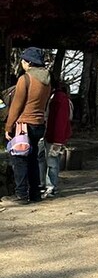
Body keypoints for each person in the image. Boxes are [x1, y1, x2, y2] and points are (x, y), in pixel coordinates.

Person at [4, 48, 53, 204]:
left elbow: (16, 106)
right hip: (39, 124)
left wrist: (8, 127)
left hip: (24, 125)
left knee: (19, 160)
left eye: (23, 61)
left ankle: (21, 195)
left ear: (29, 62)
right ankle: (35, 194)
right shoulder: (47, 80)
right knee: (33, 160)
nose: (22, 63)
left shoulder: (25, 79)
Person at [40, 77, 73, 199]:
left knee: (52, 161)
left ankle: (51, 186)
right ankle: (43, 184)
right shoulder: (53, 97)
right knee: (44, 160)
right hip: (47, 134)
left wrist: (58, 140)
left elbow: (61, 121)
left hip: (55, 136)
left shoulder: (59, 99)